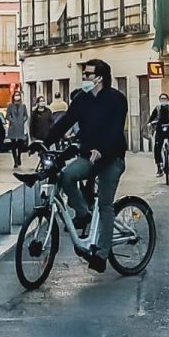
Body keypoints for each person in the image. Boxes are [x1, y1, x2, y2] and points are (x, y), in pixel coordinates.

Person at [45, 59, 128, 272]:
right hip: (88, 156)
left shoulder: (116, 99)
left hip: (111, 158)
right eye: (84, 74)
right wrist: (43, 142)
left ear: (99, 78)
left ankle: (101, 255)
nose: (84, 77)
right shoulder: (81, 99)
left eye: (88, 74)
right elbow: (65, 122)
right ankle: (83, 213)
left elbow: (116, 129)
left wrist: (102, 149)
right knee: (66, 176)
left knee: (105, 205)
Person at [149, 93, 169, 176]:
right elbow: (152, 118)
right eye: (162, 99)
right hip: (160, 130)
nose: (163, 100)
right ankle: (159, 166)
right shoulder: (157, 108)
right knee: (157, 147)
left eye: (165, 99)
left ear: (168, 100)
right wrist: (150, 123)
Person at [5, 92, 29, 166]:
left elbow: (26, 115)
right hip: (12, 127)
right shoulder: (10, 106)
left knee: (20, 144)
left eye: (18, 95)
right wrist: (12, 121)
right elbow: (7, 116)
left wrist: (22, 121)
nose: (17, 97)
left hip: (20, 127)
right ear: (13, 97)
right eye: (16, 95)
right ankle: (15, 160)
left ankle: (19, 157)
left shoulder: (23, 106)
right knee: (13, 145)